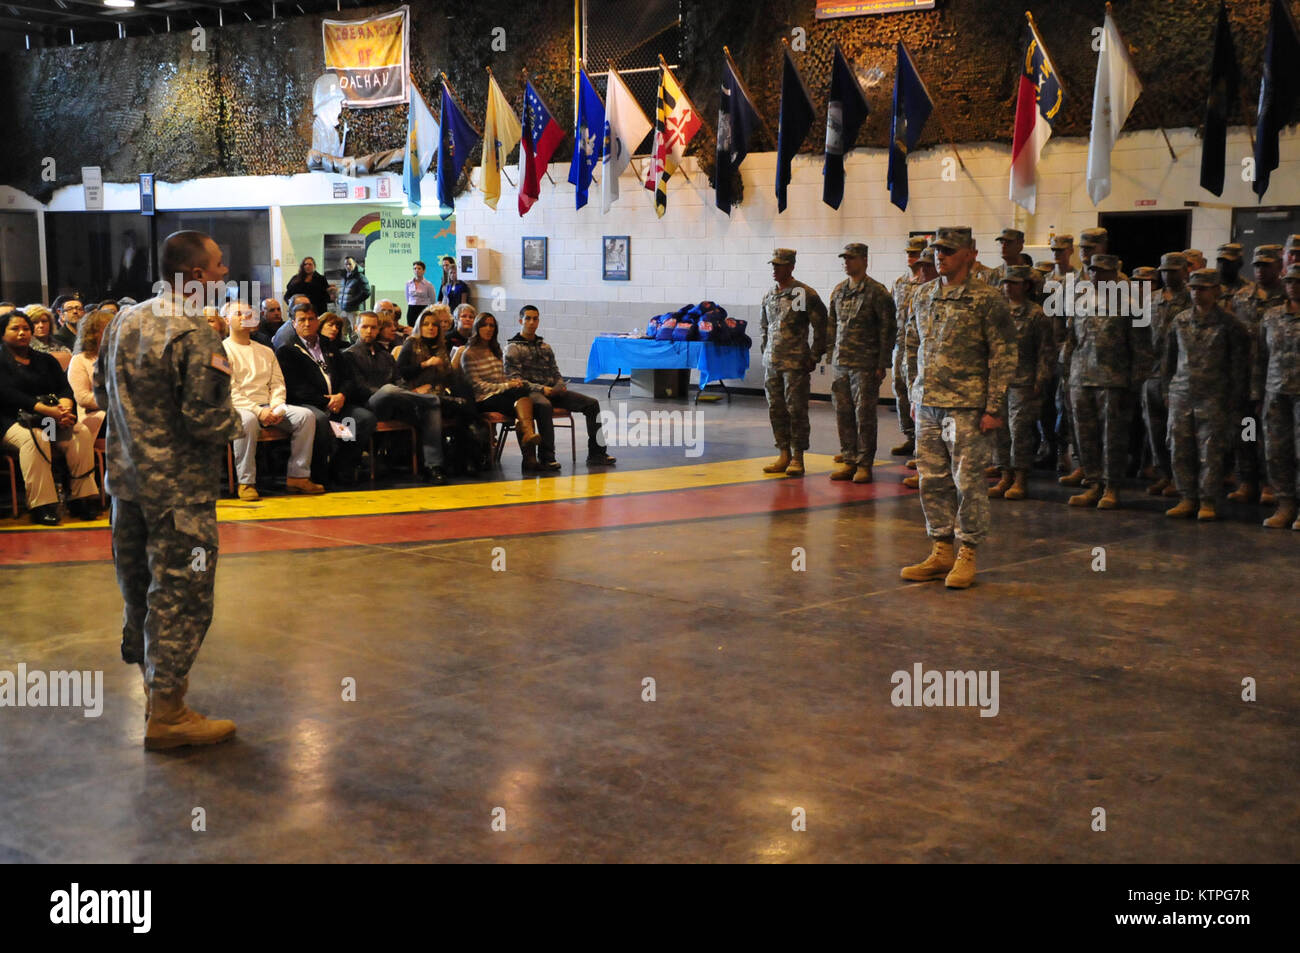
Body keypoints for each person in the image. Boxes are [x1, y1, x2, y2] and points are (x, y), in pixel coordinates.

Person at [95, 230, 241, 749]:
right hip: (180, 493)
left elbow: (99, 392)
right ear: (198, 275)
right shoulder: (195, 333)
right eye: (220, 265)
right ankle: (170, 714)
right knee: (181, 596)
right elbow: (204, 420)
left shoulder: (123, 319)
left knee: (138, 592)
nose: (226, 273)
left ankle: (153, 694)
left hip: (126, 484)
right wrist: (239, 421)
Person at [901, 226, 1015, 589]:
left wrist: (994, 407)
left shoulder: (986, 299)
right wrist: (915, 396)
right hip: (929, 403)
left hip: (965, 406)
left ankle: (967, 552)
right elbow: (912, 347)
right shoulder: (921, 296)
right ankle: (940, 549)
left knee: (967, 480)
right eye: (937, 249)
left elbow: (1003, 354)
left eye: (949, 250)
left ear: (970, 253)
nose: (940, 255)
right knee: (931, 479)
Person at [1061, 254, 1147, 509]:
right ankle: (1094, 483)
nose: (1097, 276)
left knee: (1113, 438)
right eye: (1093, 271)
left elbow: (1141, 350)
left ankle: (1112, 487)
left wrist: (1134, 384)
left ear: (1115, 274)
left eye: (1103, 272)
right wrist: (1067, 375)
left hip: (1113, 381)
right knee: (1084, 436)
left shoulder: (1131, 305)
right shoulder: (1080, 302)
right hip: (1081, 379)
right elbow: (1071, 342)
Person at [1162, 269, 1249, 521]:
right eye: (1193, 288)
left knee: (1210, 452)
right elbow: (1169, 359)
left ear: (1216, 291)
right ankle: (1187, 497)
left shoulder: (1231, 324)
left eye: (1203, 288)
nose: (1196, 293)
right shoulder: (1179, 320)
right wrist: (1168, 390)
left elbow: (1238, 366)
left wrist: (1234, 399)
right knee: (1180, 448)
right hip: (1182, 394)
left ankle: (1207, 500)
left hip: (1214, 396)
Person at [0, 310, 100, 525]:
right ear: (2, 333)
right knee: (36, 439)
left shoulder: (45, 360)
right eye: (15, 329)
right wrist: (47, 411)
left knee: (79, 433)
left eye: (25, 329)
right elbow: (8, 395)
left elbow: (64, 388)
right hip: (10, 422)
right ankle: (42, 505)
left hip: (48, 420)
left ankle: (81, 498)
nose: (22, 333)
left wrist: (64, 408)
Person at [221, 300, 323, 501]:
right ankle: (246, 482)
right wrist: (259, 412)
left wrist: (277, 406)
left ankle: (298, 476)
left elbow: (277, 383)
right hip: (239, 407)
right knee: (248, 421)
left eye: (248, 314)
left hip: (268, 405)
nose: (244, 318)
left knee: (306, 416)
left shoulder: (266, 351)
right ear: (226, 319)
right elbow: (230, 390)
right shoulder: (222, 350)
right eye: (238, 314)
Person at [277, 300, 378, 487]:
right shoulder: (287, 350)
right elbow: (295, 387)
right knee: (320, 420)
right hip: (308, 405)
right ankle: (319, 474)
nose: (307, 324)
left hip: (338, 403)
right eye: (302, 320)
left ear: (317, 320)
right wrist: (326, 401)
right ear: (293, 323)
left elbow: (348, 378)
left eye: (311, 319)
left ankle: (342, 466)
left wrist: (341, 396)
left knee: (363, 419)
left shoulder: (329, 345)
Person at [505, 305, 617, 470]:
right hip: (529, 394)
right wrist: (542, 389)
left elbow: (556, 372)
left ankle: (597, 454)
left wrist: (559, 385)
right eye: (528, 318)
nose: (531, 322)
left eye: (535, 319)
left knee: (591, 404)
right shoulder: (512, 348)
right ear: (520, 320)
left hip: (552, 390)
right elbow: (515, 379)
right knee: (544, 405)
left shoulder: (545, 347)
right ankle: (547, 457)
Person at [350, 310, 450, 484]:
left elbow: (400, 380)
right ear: (356, 327)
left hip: (396, 404)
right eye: (365, 327)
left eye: (373, 328)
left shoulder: (385, 355)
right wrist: (399, 393)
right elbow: (360, 388)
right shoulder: (349, 354)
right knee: (389, 390)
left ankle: (433, 466)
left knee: (430, 406)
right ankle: (427, 398)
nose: (369, 331)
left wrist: (403, 393)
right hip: (368, 405)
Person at [826, 244, 894, 484]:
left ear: (865, 260)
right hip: (841, 363)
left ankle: (865, 463)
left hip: (865, 364)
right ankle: (849, 459)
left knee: (864, 415)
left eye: (851, 258)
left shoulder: (877, 292)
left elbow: (887, 329)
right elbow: (831, 326)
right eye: (844, 258)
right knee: (843, 413)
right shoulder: (839, 291)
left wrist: (882, 363)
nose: (846, 262)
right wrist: (829, 355)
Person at [759, 248, 828, 478]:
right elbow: (764, 326)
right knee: (776, 409)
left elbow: (821, 325)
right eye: (773, 265)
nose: (774, 269)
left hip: (795, 363)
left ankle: (798, 456)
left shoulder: (800, 294)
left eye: (779, 265)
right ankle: (783, 453)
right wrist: (765, 351)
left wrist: (815, 355)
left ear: (791, 267)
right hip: (772, 363)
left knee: (796, 410)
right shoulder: (770, 295)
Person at [1228, 245, 1287, 504]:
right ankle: (1247, 481)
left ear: (1279, 267)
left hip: (1275, 377)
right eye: (1257, 265)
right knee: (1245, 431)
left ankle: (1270, 484)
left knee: (1272, 436)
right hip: (1242, 377)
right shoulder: (1240, 297)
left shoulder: (1288, 296)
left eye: (1267, 265)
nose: (1261, 270)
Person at [989, 266, 1053, 501]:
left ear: (1026, 286)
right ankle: (1004, 475)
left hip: (1024, 382)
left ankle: (1020, 479)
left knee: (1020, 432)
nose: (1008, 287)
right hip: (1000, 380)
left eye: (1014, 283)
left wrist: (1040, 380)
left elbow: (1045, 351)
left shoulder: (1036, 314)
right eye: (1006, 282)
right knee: (1000, 431)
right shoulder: (998, 312)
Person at [457, 312, 542, 468]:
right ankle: (529, 449)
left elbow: (501, 378)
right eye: (485, 325)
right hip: (482, 398)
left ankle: (528, 440)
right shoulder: (468, 353)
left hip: (499, 392)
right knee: (519, 405)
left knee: (522, 392)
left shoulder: (495, 350)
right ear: (477, 327)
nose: (489, 329)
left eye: (492, 325)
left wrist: (511, 382)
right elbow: (477, 385)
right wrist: (507, 386)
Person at [1254, 263, 1300, 528]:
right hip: (1275, 393)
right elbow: (1259, 357)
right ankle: (1285, 505)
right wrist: (1256, 394)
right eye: (1290, 280)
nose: (1294, 285)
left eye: (1298, 281)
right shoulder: (1271, 316)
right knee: (1276, 451)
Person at [1142, 254, 1190, 498]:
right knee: (1155, 429)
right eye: (1164, 271)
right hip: (1152, 374)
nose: (1168, 275)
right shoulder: (1151, 299)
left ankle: (1180, 479)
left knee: (1178, 432)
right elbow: (1140, 336)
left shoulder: (1192, 299)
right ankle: (1164, 474)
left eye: (1173, 271)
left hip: (1180, 375)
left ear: (1185, 271)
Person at [899, 246, 940, 491]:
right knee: (923, 427)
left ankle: (939, 473)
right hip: (922, 373)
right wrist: (912, 375)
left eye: (928, 266)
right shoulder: (920, 296)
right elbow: (912, 338)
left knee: (947, 433)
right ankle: (924, 468)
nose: (923, 270)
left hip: (950, 378)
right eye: (921, 265)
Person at [889, 237, 927, 458]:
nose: (910, 256)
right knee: (900, 390)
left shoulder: (928, 283)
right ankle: (910, 436)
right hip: (900, 346)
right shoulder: (899, 283)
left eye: (915, 252)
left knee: (918, 392)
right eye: (909, 252)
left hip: (919, 348)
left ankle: (923, 441)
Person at [67, 307, 114, 442]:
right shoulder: (79, 360)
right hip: (97, 416)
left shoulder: (120, 357)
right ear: (92, 334)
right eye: (108, 328)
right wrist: (118, 401)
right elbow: (83, 398)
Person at [27, 304, 72, 369]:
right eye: (35, 322)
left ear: (50, 323)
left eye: (44, 321)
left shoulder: (61, 345)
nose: (41, 325)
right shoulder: (25, 348)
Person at [336, 256, 371, 324]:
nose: (348, 266)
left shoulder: (360, 276)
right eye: (346, 264)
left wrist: (354, 302)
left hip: (355, 310)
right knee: (342, 331)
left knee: (355, 332)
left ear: (355, 264)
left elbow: (367, 292)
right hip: (344, 309)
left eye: (350, 264)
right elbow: (343, 291)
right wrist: (339, 300)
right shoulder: (344, 276)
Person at [406, 260, 436, 327]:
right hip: (411, 308)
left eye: (419, 268)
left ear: (424, 270)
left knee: (422, 327)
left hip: (423, 308)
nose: (417, 270)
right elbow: (408, 298)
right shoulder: (408, 283)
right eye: (415, 268)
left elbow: (433, 300)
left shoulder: (428, 284)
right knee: (411, 327)